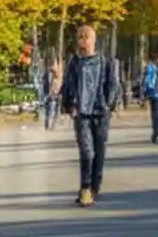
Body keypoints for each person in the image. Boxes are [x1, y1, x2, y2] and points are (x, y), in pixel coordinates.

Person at [60, 26, 120, 207]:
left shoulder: (105, 61)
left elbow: (113, 84)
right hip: (82, 113)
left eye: (86, 38)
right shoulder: (75, 62)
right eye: (80, 38)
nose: (83, 41)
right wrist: (69, 105)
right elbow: (68, 84)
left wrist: (110, 105)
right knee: (87, 152)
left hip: (101, 112)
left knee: (99, 151)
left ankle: (95, 186)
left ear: (94, 40)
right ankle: (85, 187)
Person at [42, 61, 63, 131]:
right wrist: (52, 95)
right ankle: (49, 125)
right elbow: (52, 88)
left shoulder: (56, 79)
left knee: (53, 112)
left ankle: (50, 126)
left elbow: (56, 88)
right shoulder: (52, 79)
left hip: (55, 97)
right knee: (50, 111)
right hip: (52, 97)